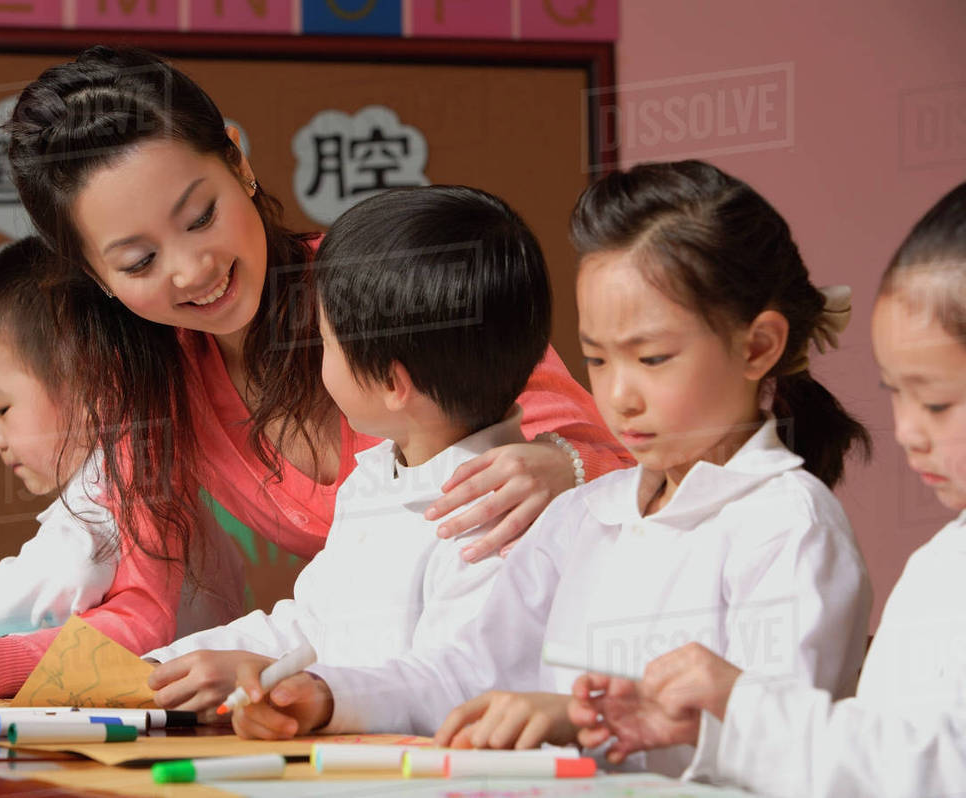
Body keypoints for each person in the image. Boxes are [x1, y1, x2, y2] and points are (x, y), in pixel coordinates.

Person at [0, 45, 626, 700]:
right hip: (381, 702)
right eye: (140, 260)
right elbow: (149, 616)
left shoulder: (379, 294)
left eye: (201, 216)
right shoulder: (155, 390)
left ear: (238, 161)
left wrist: (560, 463)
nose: (195, 270)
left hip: (557, 674)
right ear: (94, 274)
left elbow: (613, 460)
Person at [228, 161, 873, 781]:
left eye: (651, 358)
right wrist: (325, 694)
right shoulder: (584, 513)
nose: (619, 395)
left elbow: (791, 748)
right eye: (597, 359)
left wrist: (578, 719)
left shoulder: (788, 525)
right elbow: (465, 672)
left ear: (757, 346)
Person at [569, 181, 966, 798]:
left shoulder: (793, 522)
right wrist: (712, 728)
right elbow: (878, 751)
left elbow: (934, 770)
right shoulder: (941, 560)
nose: (908, 432)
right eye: (897, 394)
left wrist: (739, 704)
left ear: (759, 348)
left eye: (938, 402)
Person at [143, 185, 556, 717]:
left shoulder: (491, 518)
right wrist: (162, 666)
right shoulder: (377, 476)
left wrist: (315, 692)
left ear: (391, 383)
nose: (316, 360)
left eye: (325, 342)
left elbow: (455, 683)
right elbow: (315, 620)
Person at [0, 238, 240, 701]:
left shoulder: (115, 478)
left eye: (1, 408)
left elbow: (60, 571)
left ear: (98, 382)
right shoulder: (154, 461)